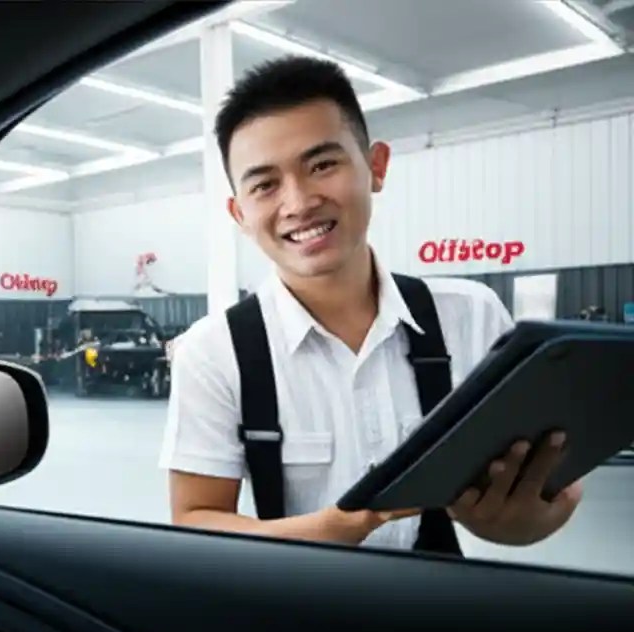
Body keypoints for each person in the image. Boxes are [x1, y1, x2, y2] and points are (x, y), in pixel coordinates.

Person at [158, 55, 583, 552]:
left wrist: (516, 522)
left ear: (375, 166)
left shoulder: (471, 315)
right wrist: (334, 530)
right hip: (293, 608)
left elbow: (554, 485)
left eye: (322, 165)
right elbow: (195, 517)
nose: (297, 203)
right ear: (240, 212)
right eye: (265, 184)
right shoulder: (212, 353)